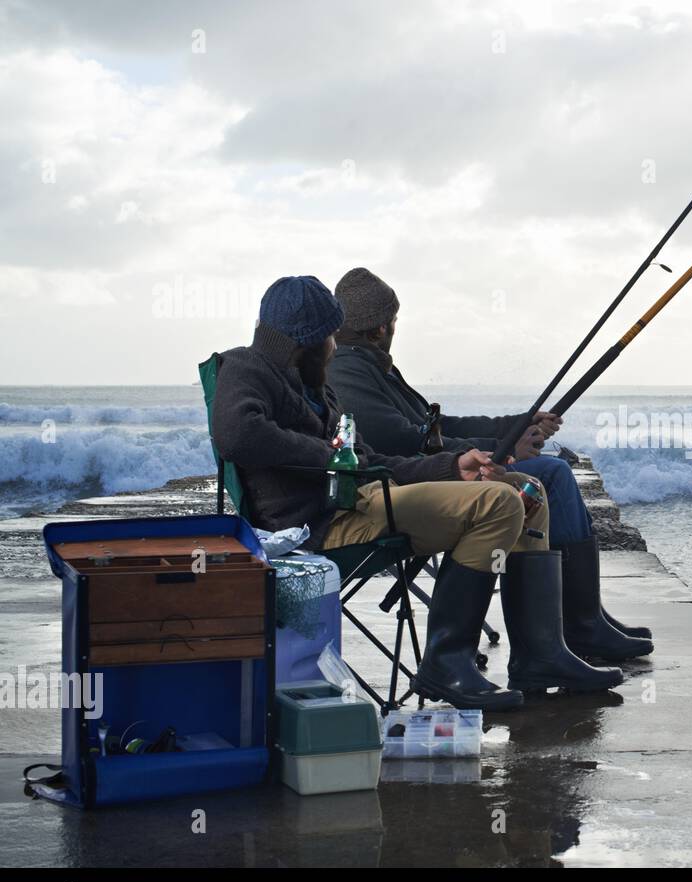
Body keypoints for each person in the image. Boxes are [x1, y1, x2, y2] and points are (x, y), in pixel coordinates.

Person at [211, 275, 621, 711]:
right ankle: (446, 665)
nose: (336, 346)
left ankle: (540, 656)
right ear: (307, 344)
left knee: (525, 490)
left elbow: (370, 460)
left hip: (367, 501)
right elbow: (237, 434)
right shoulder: (245, 368)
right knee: (499, 503)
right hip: (320, 528)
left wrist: (451, 465)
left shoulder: (320, 390)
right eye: (331, 337)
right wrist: (332, 459)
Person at [326, 266, 653, 662]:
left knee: (553, 473)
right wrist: (504, 447)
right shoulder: (348, 371)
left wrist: (517, 426)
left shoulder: (372, 366)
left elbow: (436, 427)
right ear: (379, 327)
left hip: (429, 476)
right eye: (393, 321)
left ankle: (581, 620)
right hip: (422, 483)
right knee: (551, 474)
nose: (395, 328)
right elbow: (405, 439)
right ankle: (574, 628)